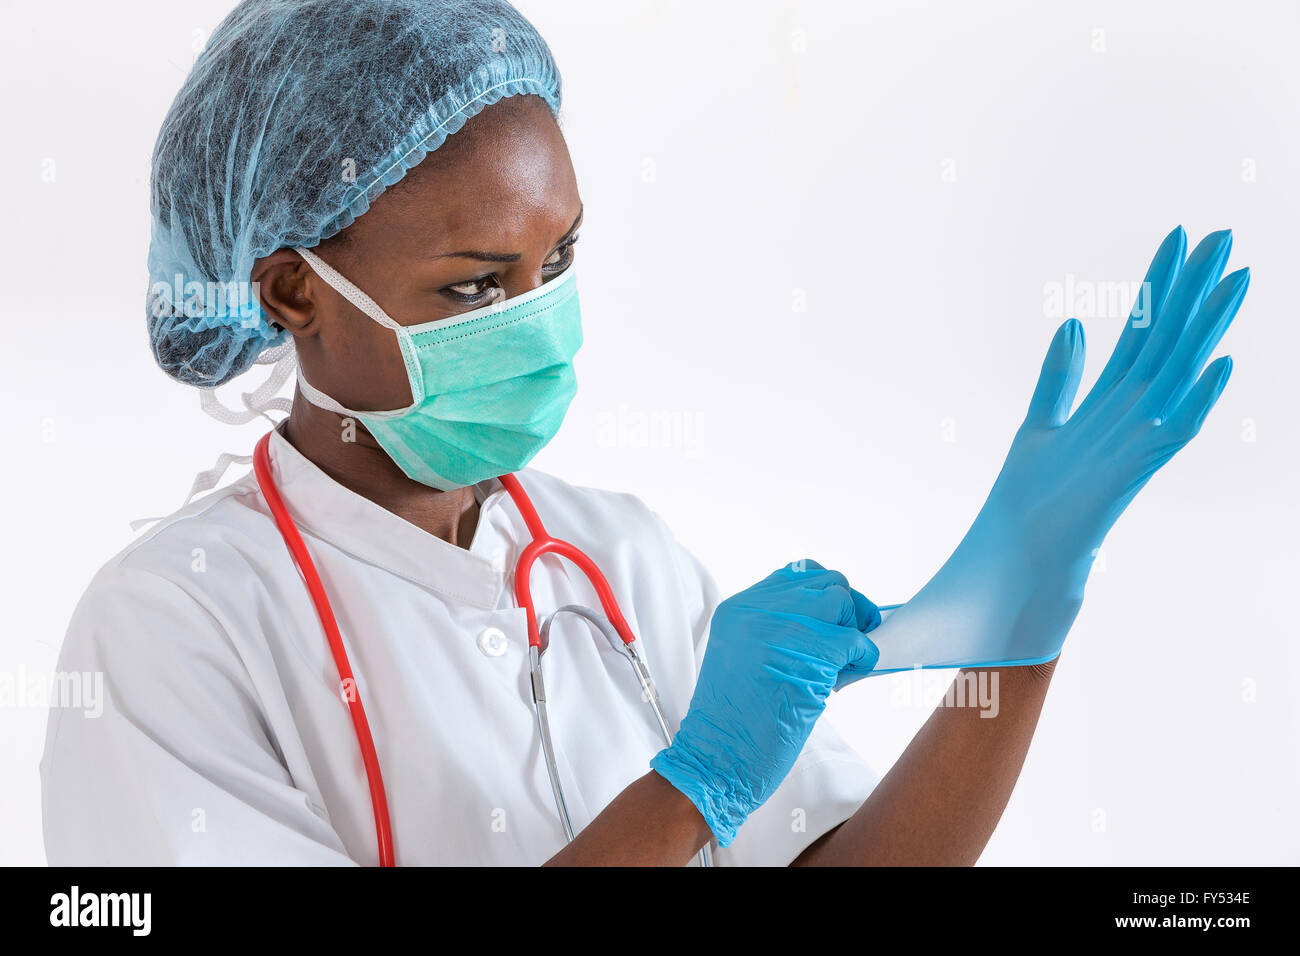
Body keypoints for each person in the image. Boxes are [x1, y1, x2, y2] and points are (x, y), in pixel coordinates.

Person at [40, 0, 1246, 866]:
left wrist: (1013, 628)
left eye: (557, 259)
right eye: (473, 286)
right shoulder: (173, 625)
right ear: (293, 292)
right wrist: (692, 785)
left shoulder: (617, 558)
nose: (538, 320)